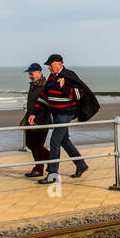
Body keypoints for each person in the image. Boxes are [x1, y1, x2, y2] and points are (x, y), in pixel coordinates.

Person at [26, 53, 91, 182]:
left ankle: (52, 174)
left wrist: (65, 87)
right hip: (56, 114)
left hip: (65, 114)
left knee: (54, 141)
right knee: (64, 141)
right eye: (48, 65)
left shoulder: (69, 76)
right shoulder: (51, 78)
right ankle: (81, 165)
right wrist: (34, 112)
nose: (49, 67)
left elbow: (78, 95)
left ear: (60, 64)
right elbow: (45, 97)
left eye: (51, 65)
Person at [20, 63, 51, 177]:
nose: (30, 76)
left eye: (31, 73)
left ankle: (39, 168)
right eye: (29, 74)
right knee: (30, 144)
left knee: (37, 146)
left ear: (39, 72)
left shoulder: (45, 86)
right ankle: (51, 158)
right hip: (30, 119)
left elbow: (47, 104)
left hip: (42, 121)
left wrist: (37, 117)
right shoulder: (33, 85)